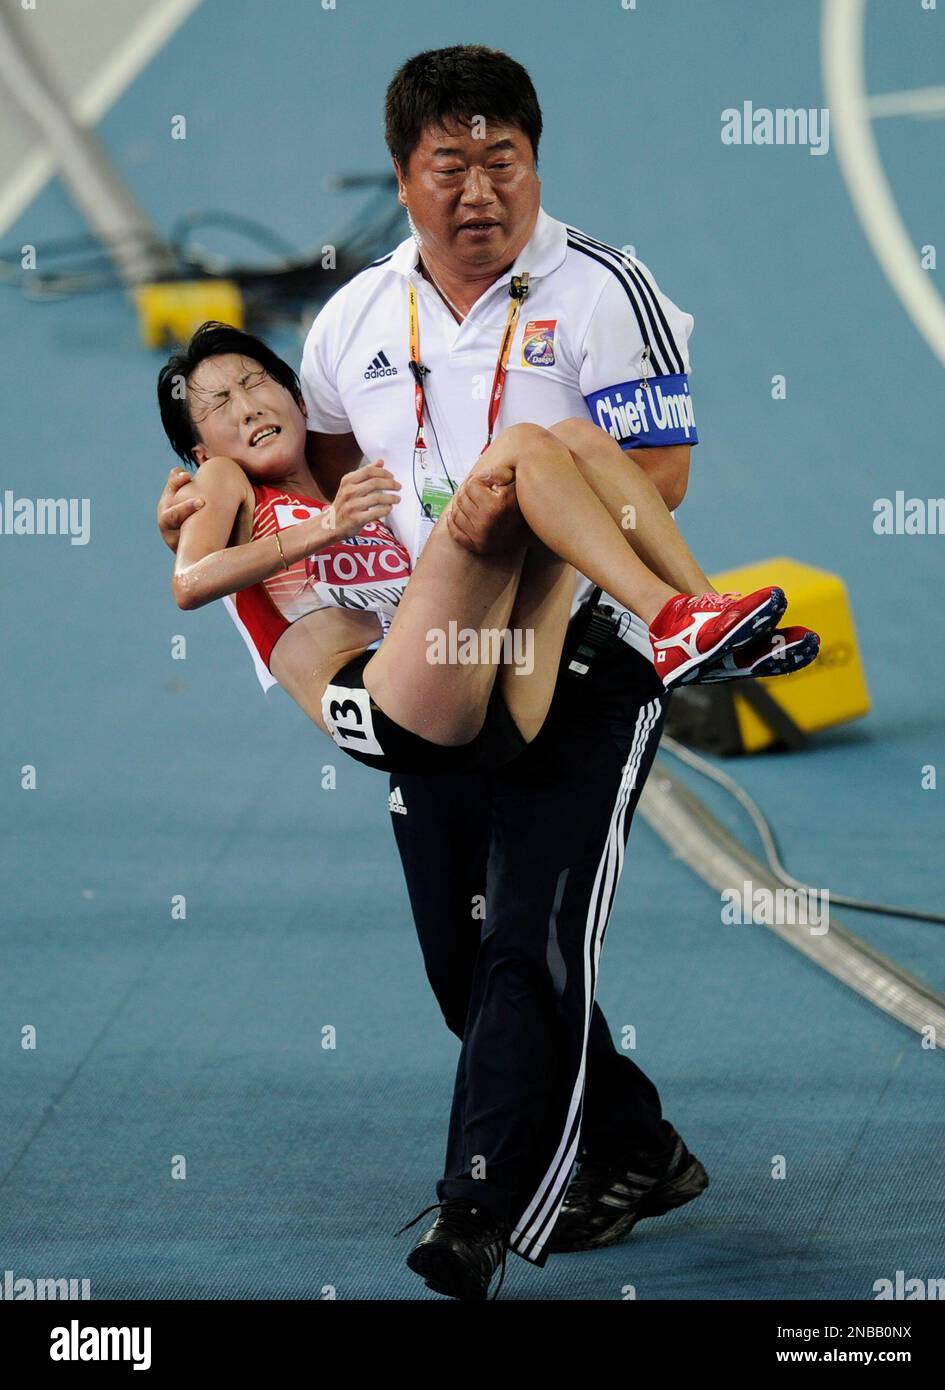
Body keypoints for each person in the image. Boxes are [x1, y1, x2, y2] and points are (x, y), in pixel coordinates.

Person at [155, 45, 817, 1301]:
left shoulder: (605, 287)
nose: (478, 190)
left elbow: (657, 475)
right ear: (402, 178)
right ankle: (637, 1147)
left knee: (526, 931)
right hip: (437, 653)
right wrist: (206, 498)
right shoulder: (349, 321)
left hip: (578, 647)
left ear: (535, 162)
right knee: (461, 967)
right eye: (448, 166)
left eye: (501, 160)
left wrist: (505, 531)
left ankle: (478, 1206)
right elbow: (325, 482)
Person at [159, 323, 809, 772]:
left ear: (297, 399)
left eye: (254, 383)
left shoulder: (355, 493)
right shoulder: (226, 483)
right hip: (380, 705)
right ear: (200, 450)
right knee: (523, 445)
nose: (246, 407)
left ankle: (713, 627)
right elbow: (189, 583)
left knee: (573, 440)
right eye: (217, 403)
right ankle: (667, 620)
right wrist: (321, 528)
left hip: (485, 705)